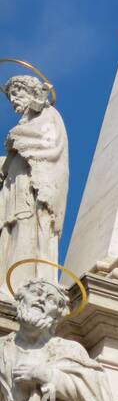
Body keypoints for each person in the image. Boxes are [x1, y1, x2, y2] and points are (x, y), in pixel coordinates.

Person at [1, 76, 67, 292]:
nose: (13, 99)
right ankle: (6, 282)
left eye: (17, 93)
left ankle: (21, 285)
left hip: (33, 189)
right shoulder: (27, 122)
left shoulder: (48, 116)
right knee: (10, 233)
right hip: (15, 189)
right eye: (10, 95)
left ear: (31, 92)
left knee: (26, 229)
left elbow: (48, 144)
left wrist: (18, 137)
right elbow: (12, 162)